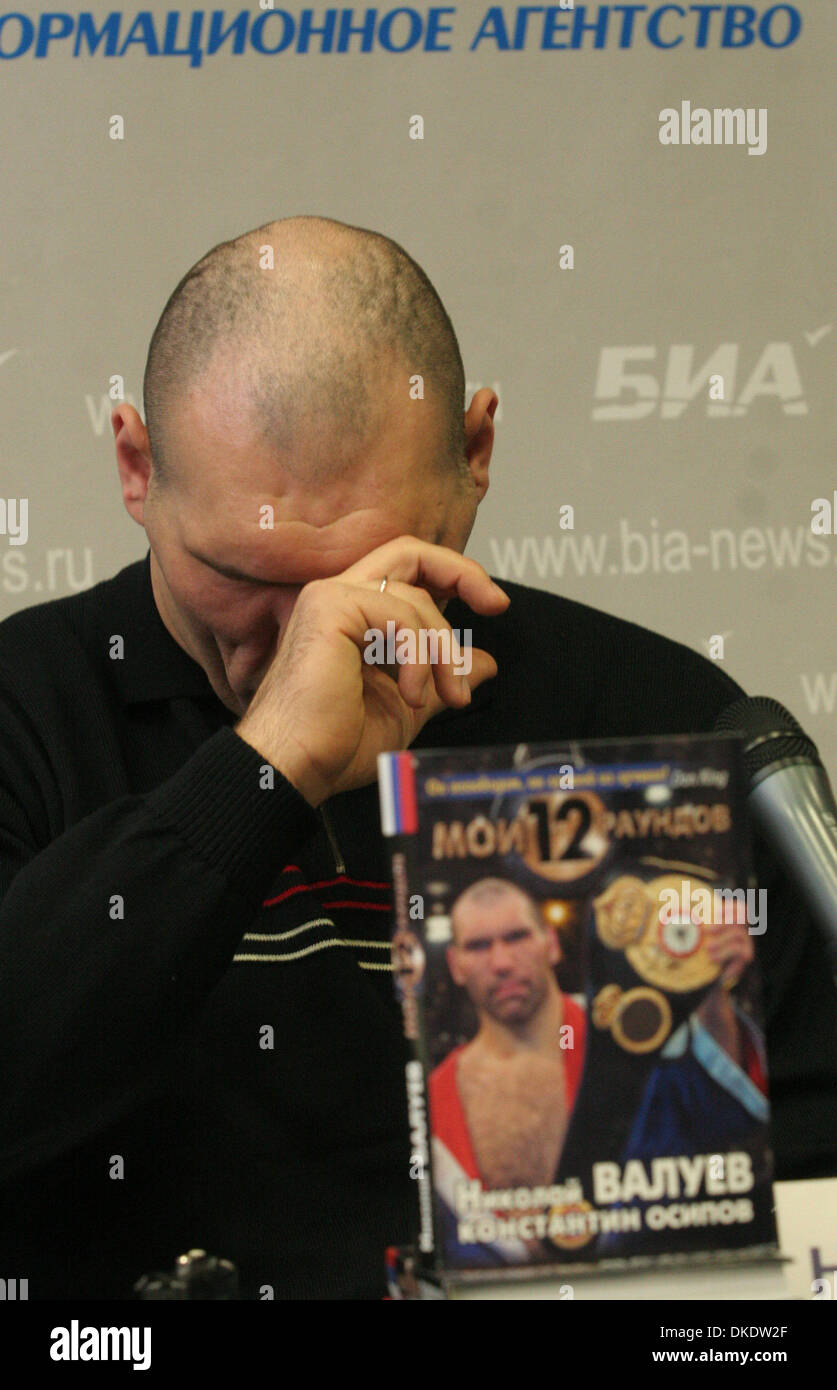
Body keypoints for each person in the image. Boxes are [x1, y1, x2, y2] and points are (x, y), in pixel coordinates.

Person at [0, 215, 835, 1301]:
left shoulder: (658, 723)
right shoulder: (26, 707)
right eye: (239, 574)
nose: (311, 640)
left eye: (371, 574)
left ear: (476, 456)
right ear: (135, 464)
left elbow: (806, 1175)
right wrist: (266, 768)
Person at [429, 877, 763, 1264]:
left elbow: (720, 1116)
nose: (501, 963)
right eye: (478, 946)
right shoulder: (433, 1103)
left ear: (550, 944)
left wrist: (710, 987)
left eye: (517, 937)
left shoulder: (635, 1033)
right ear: (456, 964)